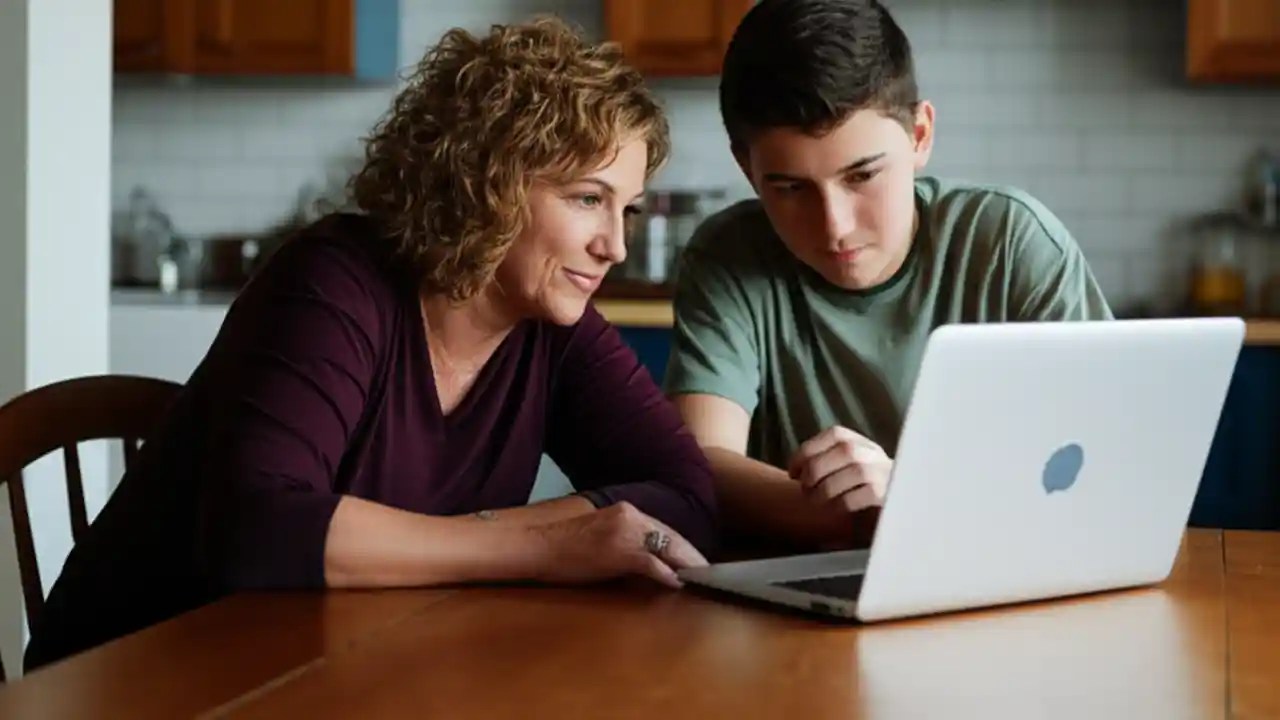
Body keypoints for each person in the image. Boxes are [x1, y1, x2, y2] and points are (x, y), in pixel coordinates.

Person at [25, 17, 716, 672]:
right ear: (488, 183)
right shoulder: (333, 282)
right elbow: (259, 533)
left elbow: (686, 493)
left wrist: (499, 534)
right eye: (587, 199)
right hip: (140, 675)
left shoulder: (552, 324)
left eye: (625, 208)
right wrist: (543, 544)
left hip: (333, 667)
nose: (615, 245)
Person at [664, 0, 1112, 554]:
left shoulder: (1012, 243)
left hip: (1002, 571)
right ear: (745, 167)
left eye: (863, 175)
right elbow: (701, 464)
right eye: (789, 188)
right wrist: (879, 516)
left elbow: (1097, 464)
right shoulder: (727, 255)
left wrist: (909, 498)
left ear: (920, 134)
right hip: (796, 602)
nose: (835, 227)